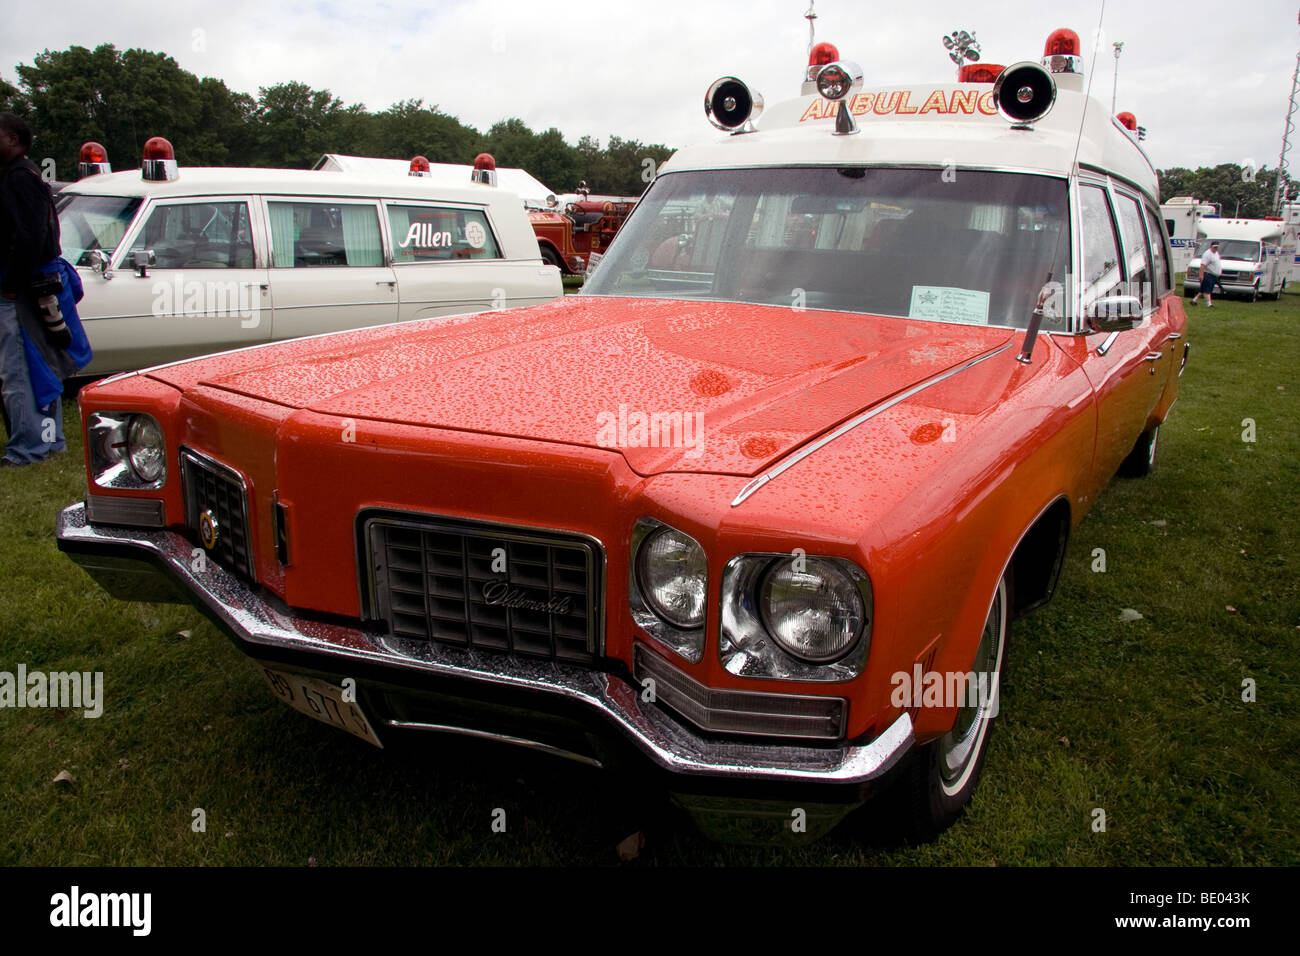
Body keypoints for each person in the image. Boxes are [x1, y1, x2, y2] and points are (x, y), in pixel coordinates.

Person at [0, 113, 91, 466]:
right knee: (42, 367)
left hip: (22, 289)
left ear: (12, 139)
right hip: (32, 285)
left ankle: (29, 448)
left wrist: (10, 286)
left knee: (23, 369)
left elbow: (30, 236)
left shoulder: (20, 180)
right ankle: (47, 441)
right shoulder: (25, 176)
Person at [1191, 241, 1222, 308]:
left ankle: (1194, 300)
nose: (1216, 248)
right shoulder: (1207, 254)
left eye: (1217, 247)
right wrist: (1201, 275)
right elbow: (1203, 265)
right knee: (1207, 290)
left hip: (1213, 275)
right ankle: (1209, 304)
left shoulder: (1216, 253)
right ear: (1211, 246)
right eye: (1214, 247)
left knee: (1203, 289)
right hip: (1208, 274)